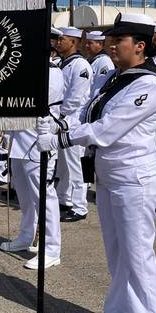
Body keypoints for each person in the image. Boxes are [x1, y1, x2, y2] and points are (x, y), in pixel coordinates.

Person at [37, 12, 156, 313]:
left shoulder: (148, 85)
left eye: (119, 41)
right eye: (111, 40)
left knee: (137, 255)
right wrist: (55, 123)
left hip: (135, 180)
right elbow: (86, 112)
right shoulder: (114, 78)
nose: (111, 45)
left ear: (139, 46)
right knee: (116, 252)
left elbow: (107, 129)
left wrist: (62, 140)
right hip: (110, 176)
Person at [0, 54, 65, 270]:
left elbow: (39, 103)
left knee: (44, 198)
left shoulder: (51, 71)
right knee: (25, 195)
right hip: (20, 139)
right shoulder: (24, 66)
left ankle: (51, 249)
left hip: (39, 140)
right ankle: (27, 236)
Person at [55, 26, 93, 222]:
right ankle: (64, 198)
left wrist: (57, 114)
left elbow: (75, 99)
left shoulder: (80, 66)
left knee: (75, 165)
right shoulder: (63, 63)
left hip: (72, 121)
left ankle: (80, 206)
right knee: (63, 165)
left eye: (63, 39)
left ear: (74, 42)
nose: (58, 42)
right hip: (62, 120)